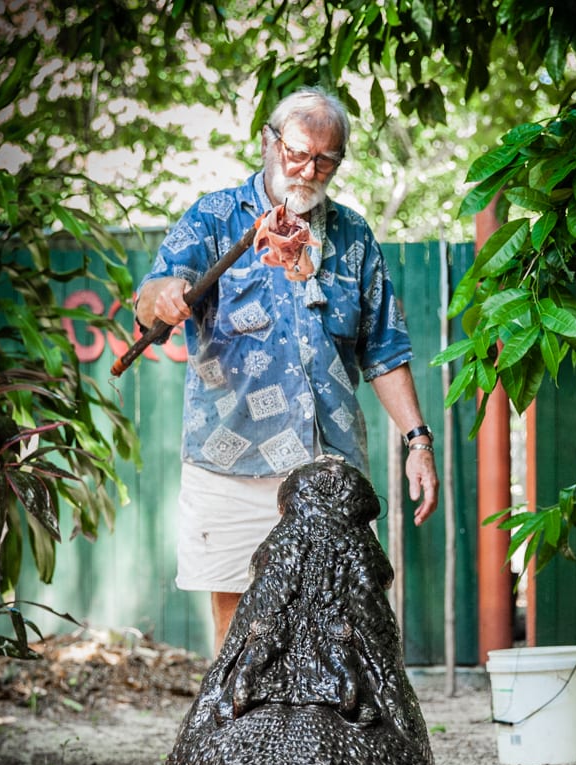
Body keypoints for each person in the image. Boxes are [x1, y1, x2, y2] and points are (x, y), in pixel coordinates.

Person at [134, 87, 439, 654]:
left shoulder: (353, 238)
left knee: (339, 632)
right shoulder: (214, 217)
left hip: (328, 473)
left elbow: (385, 352)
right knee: (237, 643)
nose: (309, 169)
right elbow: (148, 298)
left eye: (326, 159)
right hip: (232, 466)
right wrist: (165, 295)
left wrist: (418, 441)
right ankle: (236, 744)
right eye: (299, 153)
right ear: (270, 143)